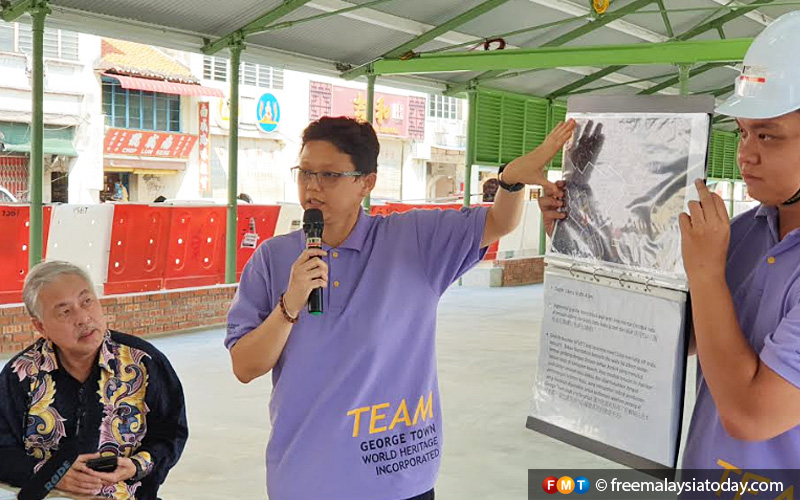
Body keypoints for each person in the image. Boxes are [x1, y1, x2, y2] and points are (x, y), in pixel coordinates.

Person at [225, 115, 575, 499]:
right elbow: (245, 366)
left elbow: (498, 221)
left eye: (329, 175)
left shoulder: (413, 240)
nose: (312, 187)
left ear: (366, 182)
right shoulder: (272, 259)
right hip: (306, 478)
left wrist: (511, 180)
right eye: (305, 173)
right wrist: (290, 303)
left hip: (396, 476)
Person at [538, 10, 800, 478]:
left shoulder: (717, 247)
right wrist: (577, 234)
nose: (746, 153)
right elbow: (671, 340)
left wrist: (704, 273)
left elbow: (752, 415)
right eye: (742, 132)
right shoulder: (739, 234)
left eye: (768, 136)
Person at [0, 261, 188, 499]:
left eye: (87, 301)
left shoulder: (144, 362)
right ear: (41, 326)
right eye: (65, 311)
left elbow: (171, 433)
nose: (83, 318)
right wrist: (50, 474)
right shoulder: (21, 374)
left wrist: (137, 465)